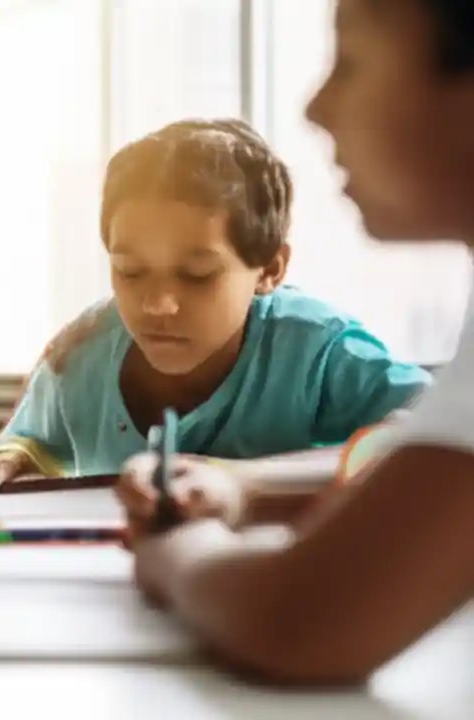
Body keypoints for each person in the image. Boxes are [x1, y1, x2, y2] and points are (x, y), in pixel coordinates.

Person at [117, 0, 474, 684]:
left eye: (352, 61)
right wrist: (241, 489)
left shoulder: (327, 345)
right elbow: (428, 462)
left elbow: (297, 619)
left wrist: (175, 551)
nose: (315, 108)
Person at [0, 119, 428, 498]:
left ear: (270, 269)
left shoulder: (319, 353)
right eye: (129, 271)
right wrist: (7, 462)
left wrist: (251, 480)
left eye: (197, 275)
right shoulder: (82, 350)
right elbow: (33, 441)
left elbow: (435, 435)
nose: (157, 304)